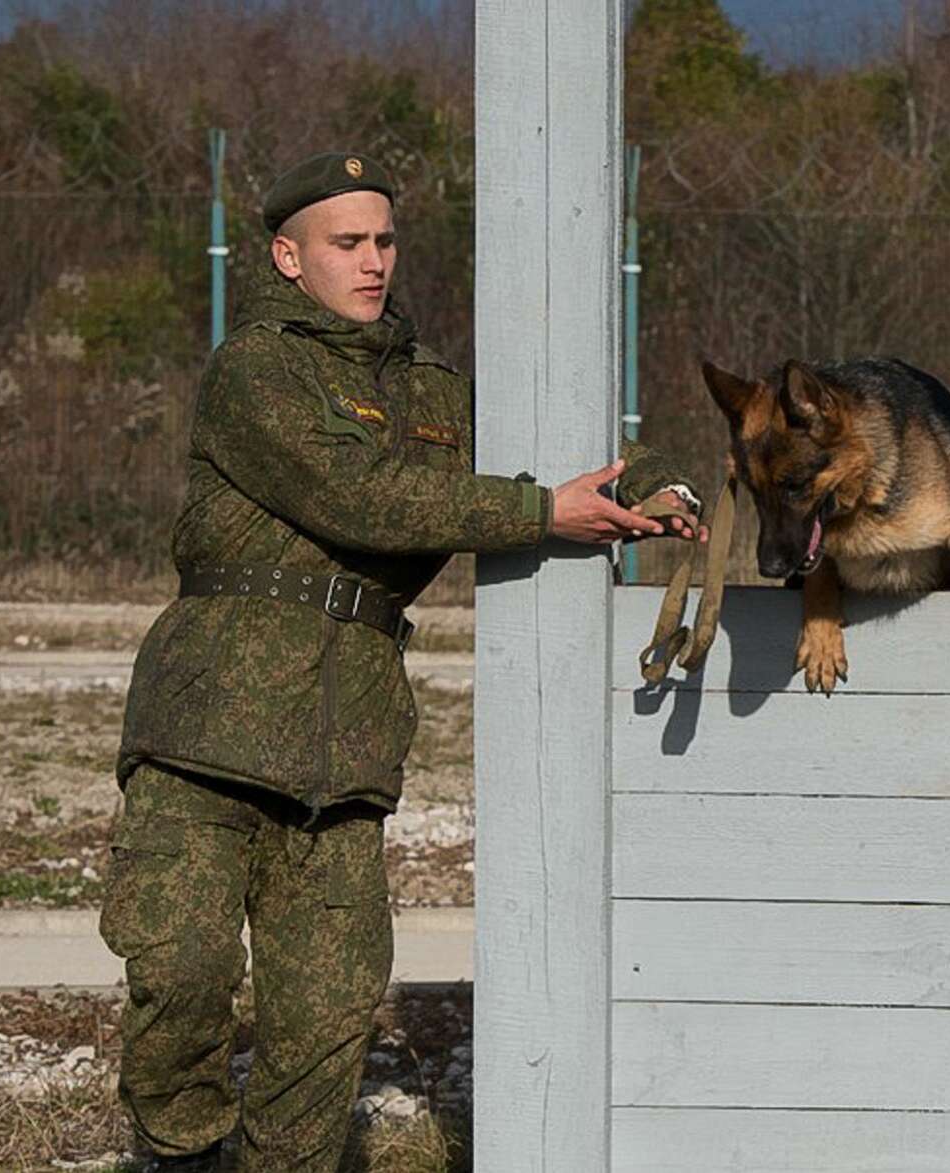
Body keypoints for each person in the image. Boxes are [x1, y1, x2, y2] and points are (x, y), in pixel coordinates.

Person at [105, 150, 699, 1171]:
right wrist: (534, 513)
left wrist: (660, 485)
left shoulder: (431, 388)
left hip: (343, 747)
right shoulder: (254, 370)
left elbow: (556, 445)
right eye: (347, 244)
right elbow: (357, 498)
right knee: (183, 974)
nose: (372, 261)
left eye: (383, 241)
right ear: (287, 257)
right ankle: (183, 1149)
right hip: (204, 735)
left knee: (326, 1014)